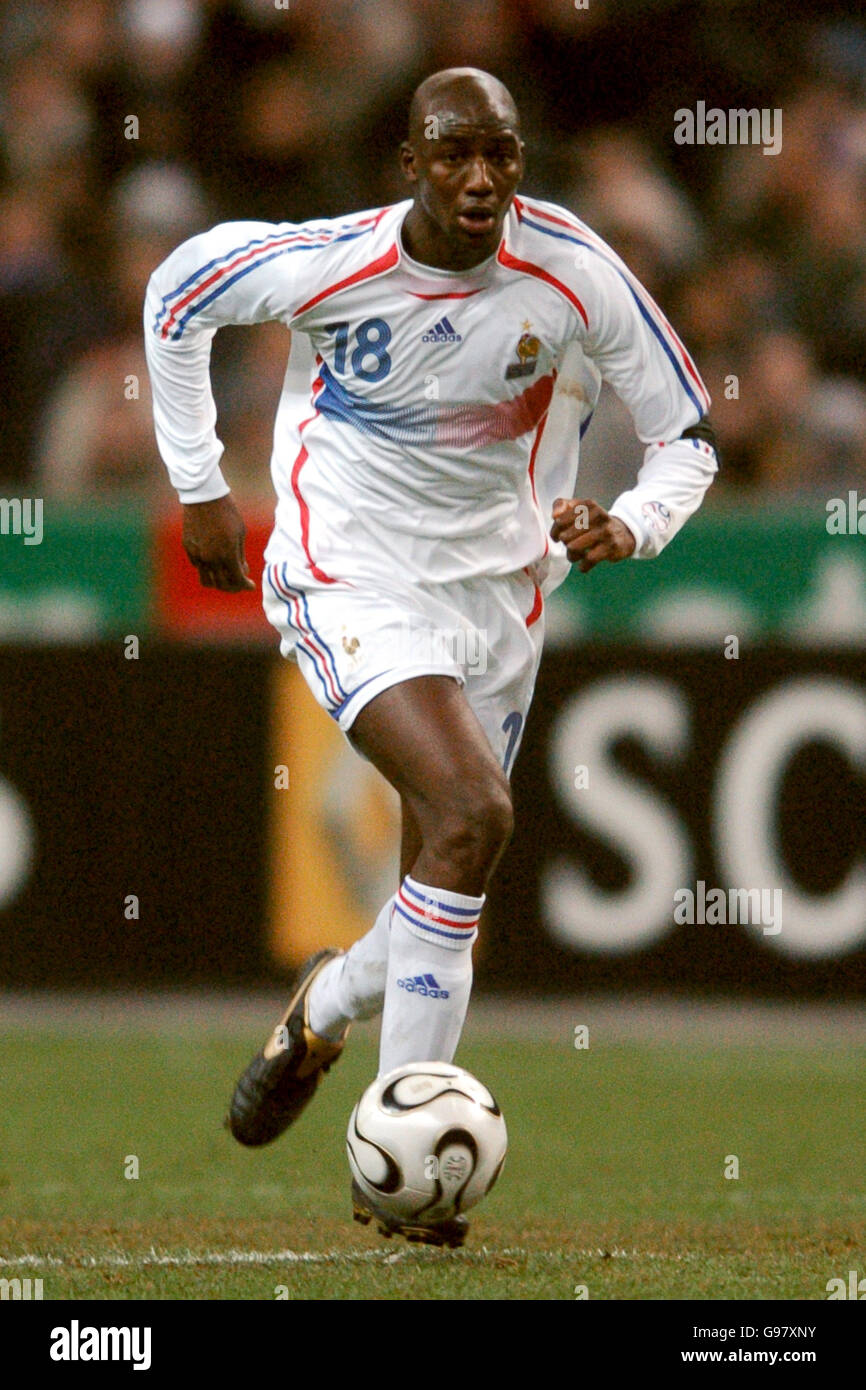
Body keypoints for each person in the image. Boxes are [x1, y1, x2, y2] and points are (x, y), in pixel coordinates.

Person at [144, 67, 718, 1247]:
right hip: (345, 569)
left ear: (520, 164)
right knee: (472, 811)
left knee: (444, 875)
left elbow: (686, 436)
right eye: (453, 153)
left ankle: (330, 1003)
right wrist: (200, 485)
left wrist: (629, 521)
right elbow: (174, 293)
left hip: (497, 600)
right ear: (408, 162)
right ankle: (400, 1171)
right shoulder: (334, 261)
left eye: (499, 155)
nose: (478, 178)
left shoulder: (571, 272)